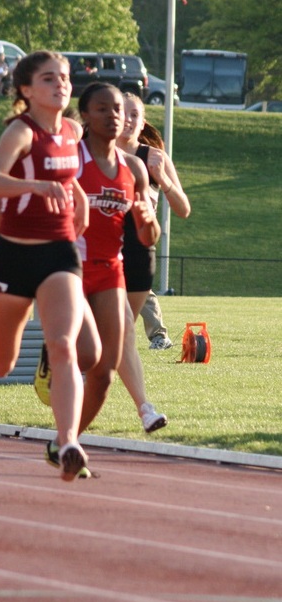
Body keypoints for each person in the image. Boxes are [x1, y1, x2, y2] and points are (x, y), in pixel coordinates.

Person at [0, 50, 100, 482]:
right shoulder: (20, 134)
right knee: (2, 366)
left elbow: (67, 175)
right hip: (13, 256)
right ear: (26, 90)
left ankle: (67, 443)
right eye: (48, 79)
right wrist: (37, 185)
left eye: (64, 77)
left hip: (59, 252)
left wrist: (75, 195)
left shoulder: (72, 130)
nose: (61, 84)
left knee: (63, 345)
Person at [37, 81, 161, 469]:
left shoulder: (135, 169)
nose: (113, 116)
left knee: (105, 375)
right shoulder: (69, 160)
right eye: (103, 109)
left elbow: (147, 235)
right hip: (68, 268)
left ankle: (63, 443)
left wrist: (147, 221)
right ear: (86, 116)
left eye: (118, 110)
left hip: (111, 270)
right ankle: (69, 436)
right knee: (88, 356)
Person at [116, 92, 190, 430]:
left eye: (135, 114)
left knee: (120, 336)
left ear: (143, 121)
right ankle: (143, 407)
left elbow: (183, 209)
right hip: (95, 249)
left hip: (136, 251)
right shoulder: (89, 146)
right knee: (105, 332)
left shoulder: (154, 157)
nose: (127, 119)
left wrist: (162, 181)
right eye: (122, 112)